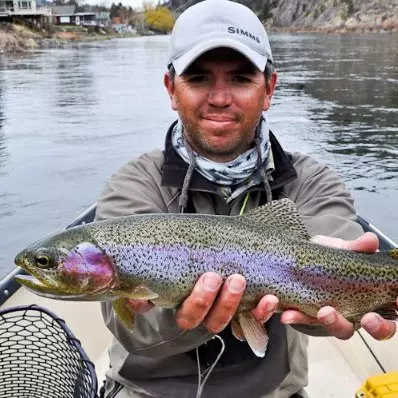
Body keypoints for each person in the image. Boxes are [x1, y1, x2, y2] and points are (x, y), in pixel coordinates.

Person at [96, 0, 397, 397]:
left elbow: (330, 299)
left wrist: (343, 303)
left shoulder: (313, 182)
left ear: (269, 88)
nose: (220, 98)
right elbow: (128, 329)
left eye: (240, 79)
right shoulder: (135, 184)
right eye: (200, 78)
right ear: (172, 89)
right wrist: (195, 316)